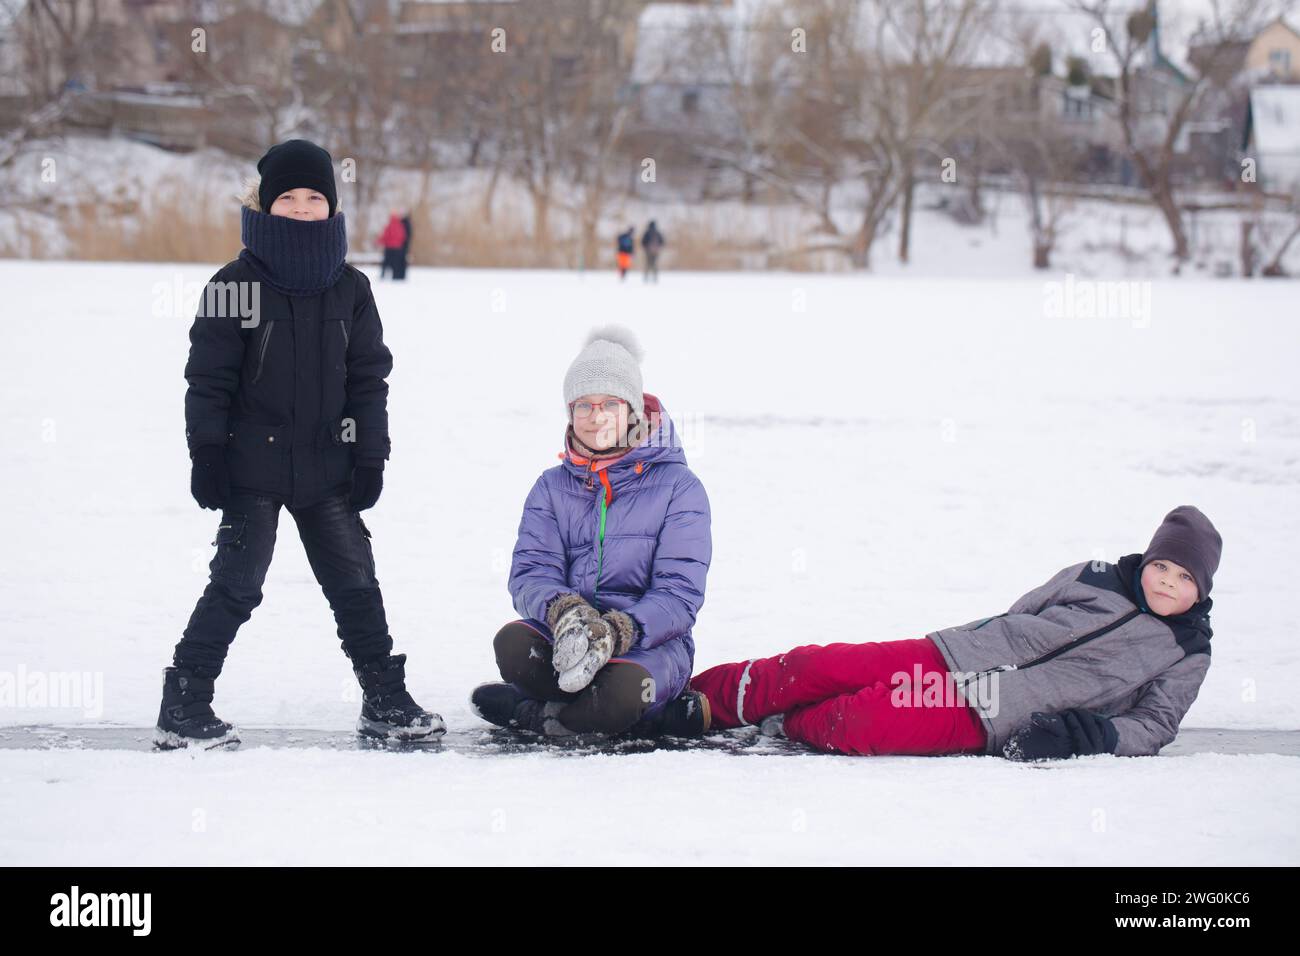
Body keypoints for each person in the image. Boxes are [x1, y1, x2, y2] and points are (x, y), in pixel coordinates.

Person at [158, 139, 443, 749]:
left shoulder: (352, 288)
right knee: (236, 585)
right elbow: (207, 381)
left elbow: (370, 379)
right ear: (265, 205)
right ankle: (183, 703)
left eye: (316, 197)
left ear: (331, 207)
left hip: (327, 466)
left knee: (355, 585)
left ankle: (385, 701)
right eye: (289, 197)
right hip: (250, 466)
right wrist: (206, 453)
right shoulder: (234, 284)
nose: (303, 207)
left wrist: (371, 453)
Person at [687, 506, 1221, 760]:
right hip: (956, 653)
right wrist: (983, 643)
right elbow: (1024, 610)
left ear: (1201, 590)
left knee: (861, 720)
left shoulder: (1187, 651)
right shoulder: (1095, 575)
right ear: (1148, 559)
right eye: (1163, 567)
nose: (1168, 583)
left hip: (995, 710)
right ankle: (700, 702)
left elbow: (1155, 724)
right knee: (816, 666)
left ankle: (784, 722)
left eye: (1184, 578)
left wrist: (1096, 735)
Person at [471, 325, 713, 737]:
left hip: (646, 646)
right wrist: (565, 611)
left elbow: (679, 593)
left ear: (632, 410)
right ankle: (599, 715)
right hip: (568, 640)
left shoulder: (679, 487)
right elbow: (531, 572)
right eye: (583, 405)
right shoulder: (550, 487)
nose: (595, 416)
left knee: (622, 690)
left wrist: (620, 631)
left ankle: (540, 716)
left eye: (609, 403)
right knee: (513, 645)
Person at [378, 210, 407, 280]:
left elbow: (385, 236)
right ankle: (395, 276)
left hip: (389, 248)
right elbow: (403, 236)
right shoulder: (400, 226)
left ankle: (383, 275)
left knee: (386, 263)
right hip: (397, 248)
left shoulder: (389, 226)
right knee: (395, 264)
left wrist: (379, 242)